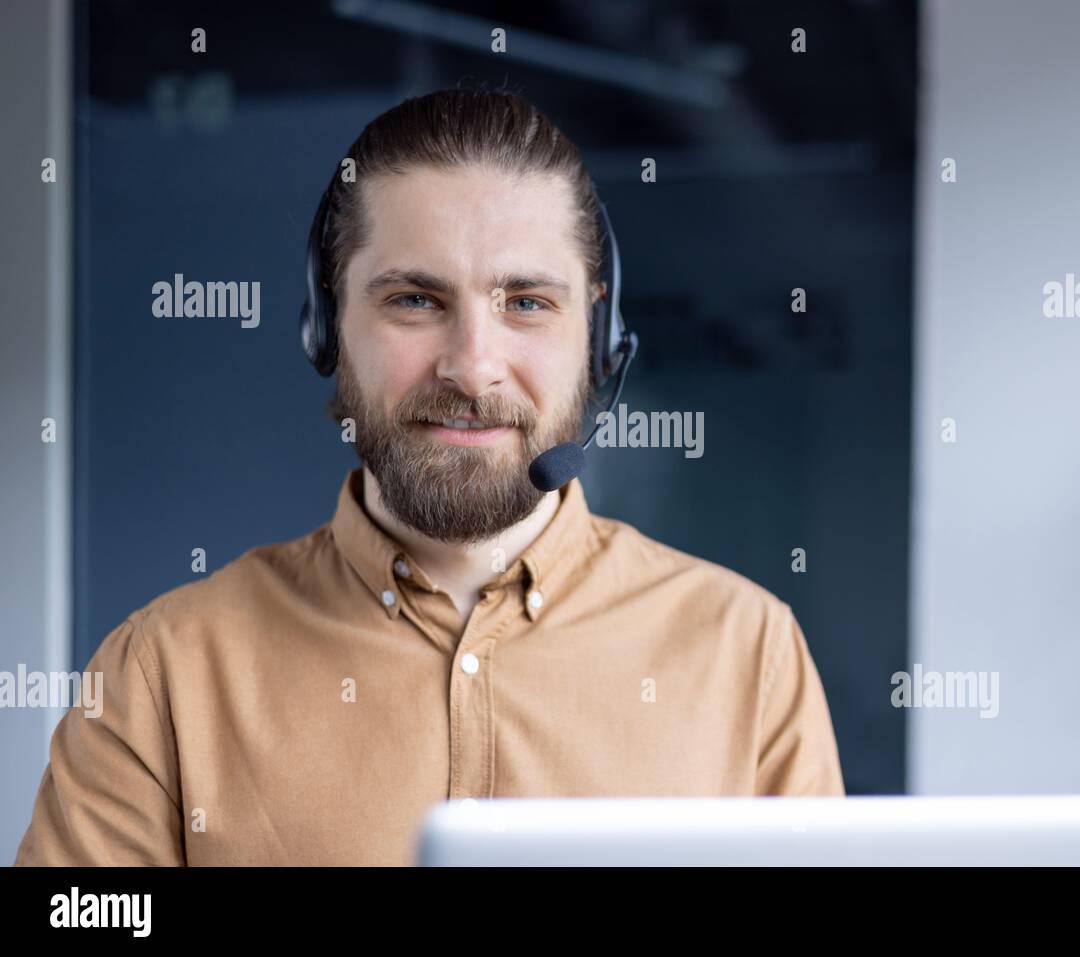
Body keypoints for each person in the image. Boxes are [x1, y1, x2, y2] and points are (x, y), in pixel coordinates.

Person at [16, 89, 844, 866]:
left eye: (526, 302)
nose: (473, 367)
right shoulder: (163, 670)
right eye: (415, 299)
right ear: (326, 326)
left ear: (600, 341)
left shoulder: (748, 654)